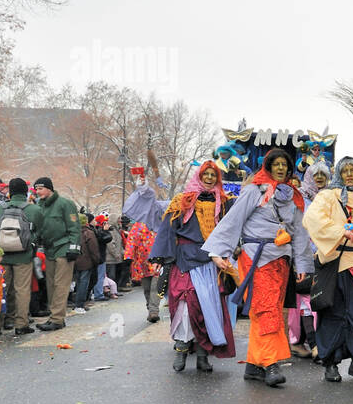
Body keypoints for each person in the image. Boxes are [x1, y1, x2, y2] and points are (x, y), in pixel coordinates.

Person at [205, 149, 313, 387]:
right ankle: (270, 363)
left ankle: (254, 366)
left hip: (281, 262)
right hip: (256, 258)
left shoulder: (294, 197)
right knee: (266, 311)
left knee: (269, 309)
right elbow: (234, 220)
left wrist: (302, 264)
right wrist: (218, 251)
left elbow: (300, 233)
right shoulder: (254, 190)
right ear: (267, 167)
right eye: (276, 164)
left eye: (285, 164)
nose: (281, 168)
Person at [301, 155, 353, 384]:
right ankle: (330, 364)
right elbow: (312, 219)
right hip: (335, 263)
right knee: (333, 315)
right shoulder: (327, 195)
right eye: (344, 170)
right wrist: (340, 232)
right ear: (338, 173)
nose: (348, 174)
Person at [151, 160, 236, 373]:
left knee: (209, 308)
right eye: (205, 174)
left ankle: (202, 355)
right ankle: (181, 350)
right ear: (199, 176)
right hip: (185, 262)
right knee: (186, 307)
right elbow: (168, 229)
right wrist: (164, 258)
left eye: (213, 175)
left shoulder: (224, 203)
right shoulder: (182, 200)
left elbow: (232, 229)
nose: (209, 178)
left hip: (212, 262)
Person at [30, 177, 82, 331]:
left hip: (64, 247)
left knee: (61, 285)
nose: (38, 192)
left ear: (49, 188)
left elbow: (74, 227)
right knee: (51, 285)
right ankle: (55, 317)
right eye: (36, 189)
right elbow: (39, 228)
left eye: (40, 189)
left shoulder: (65, 204)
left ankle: (57, 319)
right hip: (49, 249)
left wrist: (74, 248)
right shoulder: (40, 205)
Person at [123, 177, 165, 323]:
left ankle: (154, 310)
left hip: (157, 262)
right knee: (147, 288)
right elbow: (131, 241)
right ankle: (150, 307)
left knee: (155, 287)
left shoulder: (159, 223)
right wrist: (128, 257)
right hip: (142, 263)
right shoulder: (138, 225)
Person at [72, 214, 102, 314]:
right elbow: (93, 249)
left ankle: (77, 303)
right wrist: (96, 260)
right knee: (83, 283)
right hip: (86, 261)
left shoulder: (74, 232)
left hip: (75, 261)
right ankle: (79, 304)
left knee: (78, 283)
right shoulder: (88, 233)